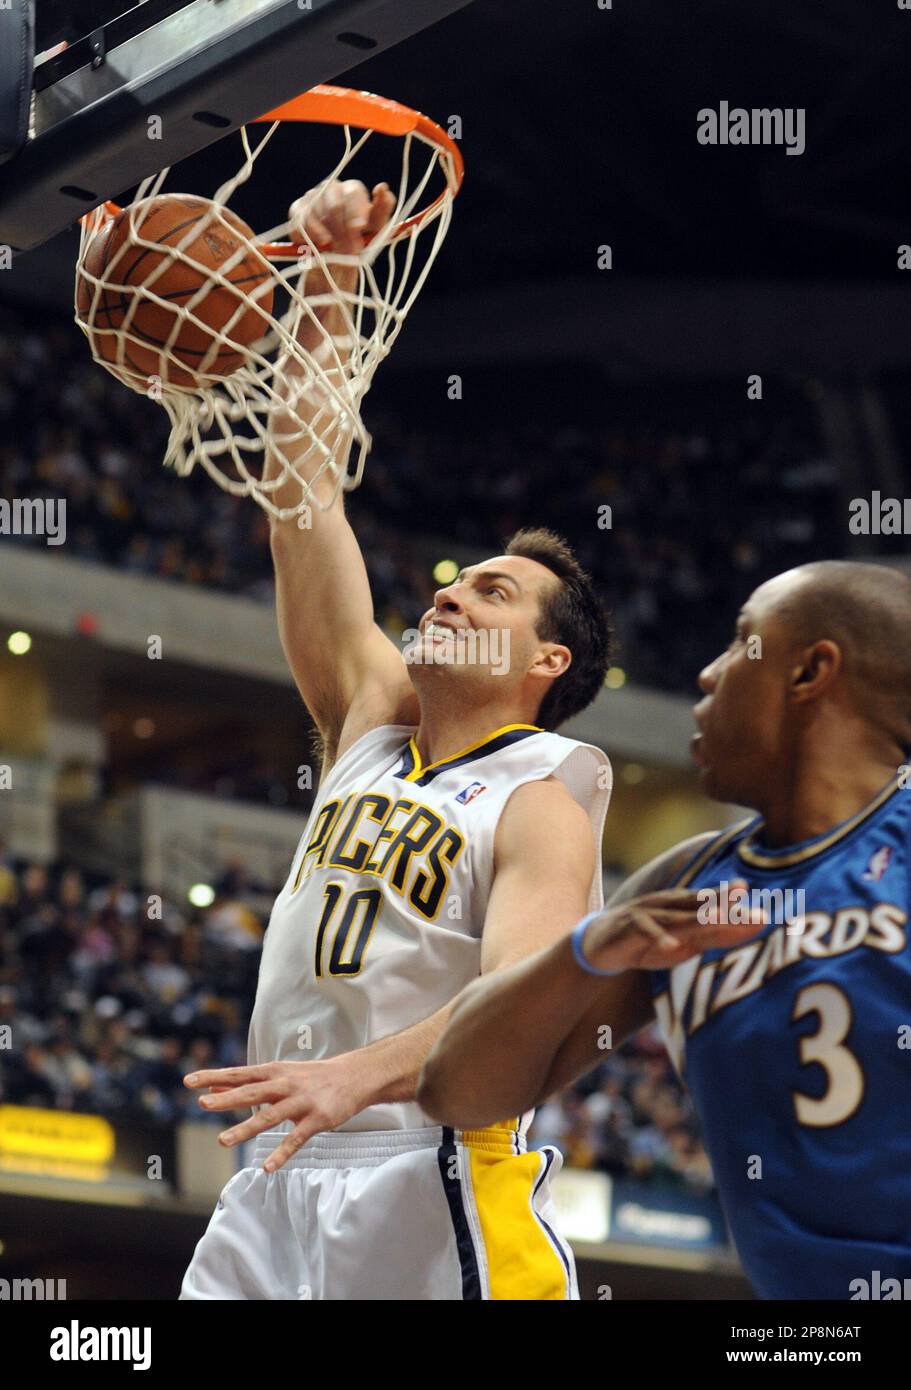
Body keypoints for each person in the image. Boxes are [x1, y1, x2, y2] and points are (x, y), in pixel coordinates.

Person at [179, 179, 754, 1301]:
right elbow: (302, 501)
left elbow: (521, 994)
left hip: (425, 1163)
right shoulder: (367, 720)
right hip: (275, 1171)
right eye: (455, 580)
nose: (449, 596)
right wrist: (332, 280)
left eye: (490, 593)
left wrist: (358, 1074)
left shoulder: (545, 783)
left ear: (548, 664)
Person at [419, 560, 911, 1300]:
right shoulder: (684, 885)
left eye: (741, 643)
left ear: (810, 671)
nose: (708, 676)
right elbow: (456, 1092)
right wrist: (585, 953)